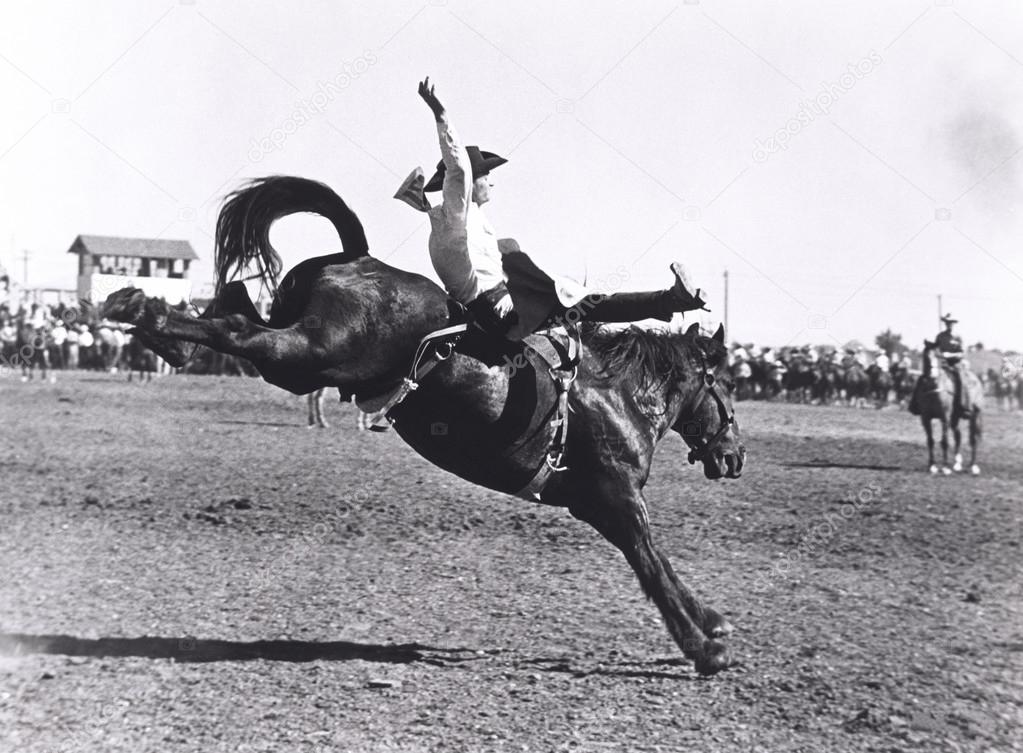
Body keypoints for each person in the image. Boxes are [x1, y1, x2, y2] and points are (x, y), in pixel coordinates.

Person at [395, 78, 708, 339]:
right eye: (487, 176)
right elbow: (459, 166)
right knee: (591, 304)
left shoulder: (449, 225)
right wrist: (440, 112)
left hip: (489, 306)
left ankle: (670, 299)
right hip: (499, 312)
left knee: (535, 265)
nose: (492, 183)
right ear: (468, 185)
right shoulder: (458, 216)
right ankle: (670, 299)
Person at [935, 313, 970, 416]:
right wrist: (940, 355)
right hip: (942, 364)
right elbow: (936, 349)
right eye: (947, 323)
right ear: (945, 323)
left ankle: (964, 407)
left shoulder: (958, 337)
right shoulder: (940, 336)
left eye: (951, 323)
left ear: (954, 324)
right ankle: (917, 404)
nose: (949, 325)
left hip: (956, 364)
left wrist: (950, 355)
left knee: (961, 381)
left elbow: (962, 353)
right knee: (926, 378)